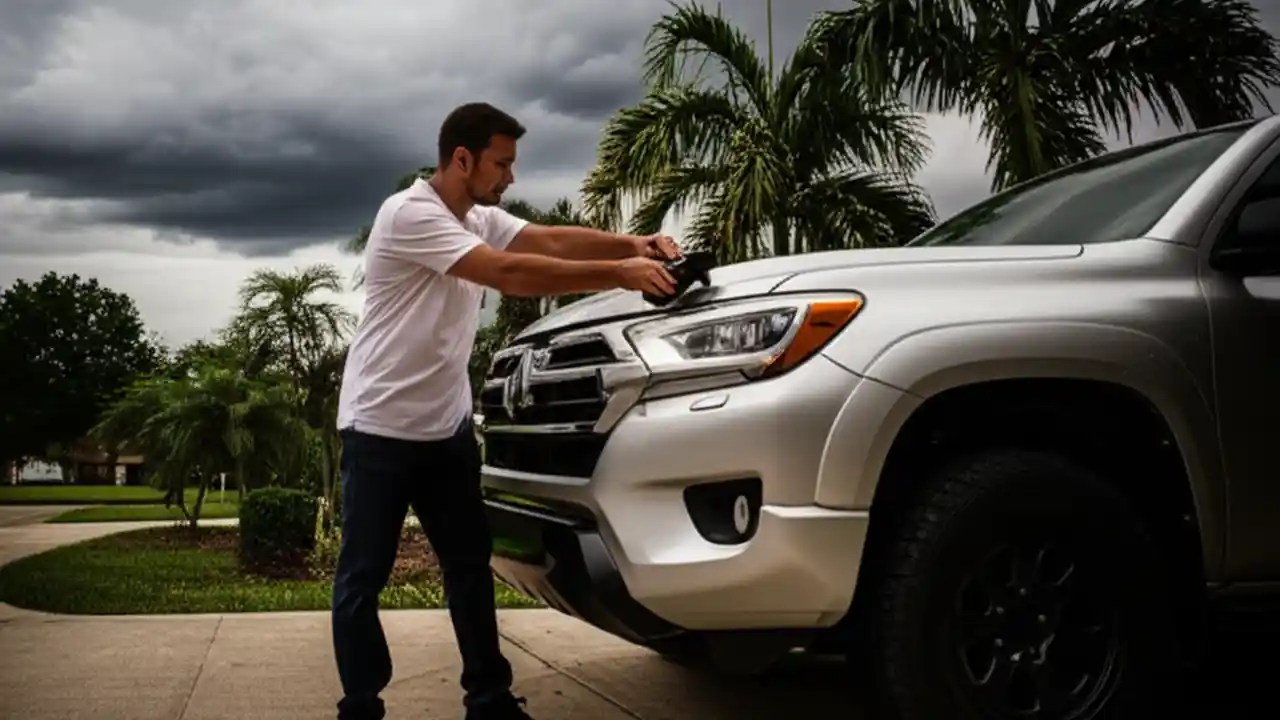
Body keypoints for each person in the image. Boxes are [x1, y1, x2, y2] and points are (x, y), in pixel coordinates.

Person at [330, 101, 682, 720]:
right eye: (502, 163)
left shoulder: (477, 217)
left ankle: (488, 700)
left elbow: (544, 239)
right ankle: (361, 704)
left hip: (445, 429)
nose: (510, 177)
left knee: (468, 566)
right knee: (364, 577)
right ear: (461, 159)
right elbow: (509, 272)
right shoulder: (411, 214)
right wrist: (621, 275)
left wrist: (634, 242)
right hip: (379, 426)